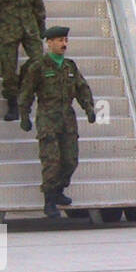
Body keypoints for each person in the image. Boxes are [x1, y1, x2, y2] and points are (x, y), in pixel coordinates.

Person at [20, 26, 96, 219]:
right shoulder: (39, 66)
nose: (64, 44)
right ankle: (49, 201)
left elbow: (82, 88)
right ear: (49, 43)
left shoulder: (70, 66)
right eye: (60, 40)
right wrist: (24, 114)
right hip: (48, 119)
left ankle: (59, 189)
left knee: (71, 160)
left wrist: (89, 108)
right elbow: (27, 92)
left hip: (67, 120)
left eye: (65, 40)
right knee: (51, 161)